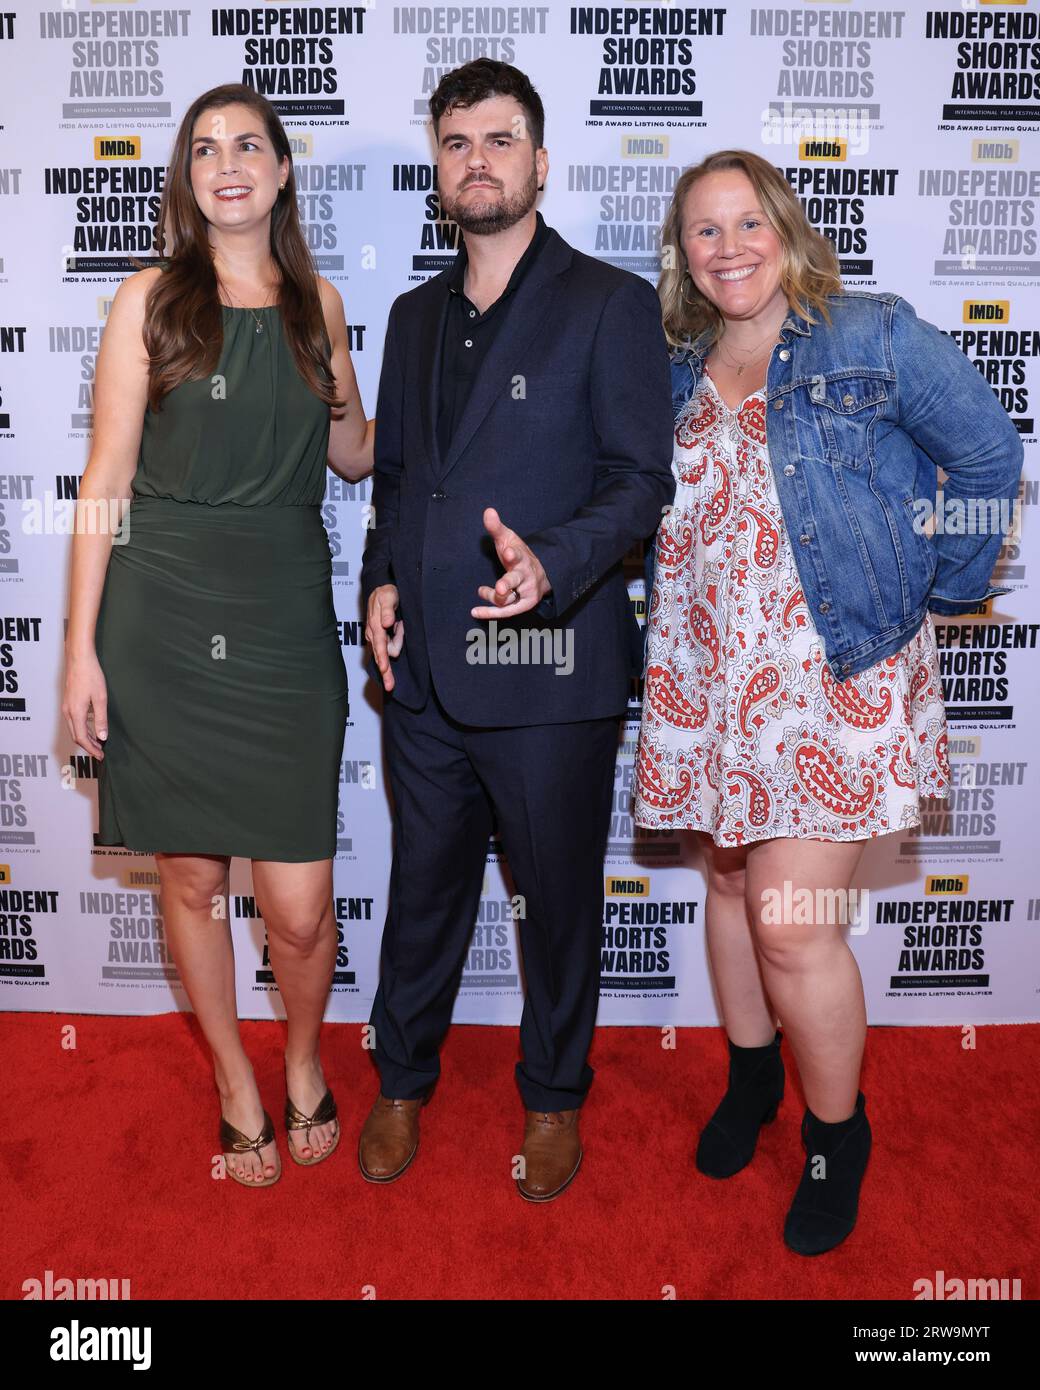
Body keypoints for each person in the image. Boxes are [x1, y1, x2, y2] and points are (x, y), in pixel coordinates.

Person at [635, 149, 1022, 1253]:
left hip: (832, 679)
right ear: (683, 253)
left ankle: (832, 1132)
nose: (728, 248)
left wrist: (940, 589)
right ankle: (753, 1079)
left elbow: (989, 456)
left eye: (746, 223)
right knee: (721, 888)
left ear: (786, 228)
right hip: (704, 670)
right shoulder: (673, 364)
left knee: (788, 925)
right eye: (703, 232)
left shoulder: (873, 333)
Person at [360, 58, 674, 1201]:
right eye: (455, 143)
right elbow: (397, 481)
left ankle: (552, 1096)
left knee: (553, 904)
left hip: (549, 666)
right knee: (421, 890)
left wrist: (558, 564)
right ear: (436, 169)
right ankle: (401, 1080)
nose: (476, 161)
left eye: (498, 140)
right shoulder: (406, 316)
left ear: (538, 162)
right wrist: (382, 583)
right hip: (429, 674)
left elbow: (641, 480)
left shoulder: (606, 302)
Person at [62, 84, 373, 1189]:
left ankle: (299, 1055)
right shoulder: (149, 299)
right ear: (187, 181)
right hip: (163, 613)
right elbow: (103, 481)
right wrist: (78, 652)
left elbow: (349, 456)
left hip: (284, 615)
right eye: (205, 149)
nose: (228, 163)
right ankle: (237, 1083)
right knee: (189, 880)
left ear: (283, 172)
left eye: (249, 145)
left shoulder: (320, 305)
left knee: (297, 905)